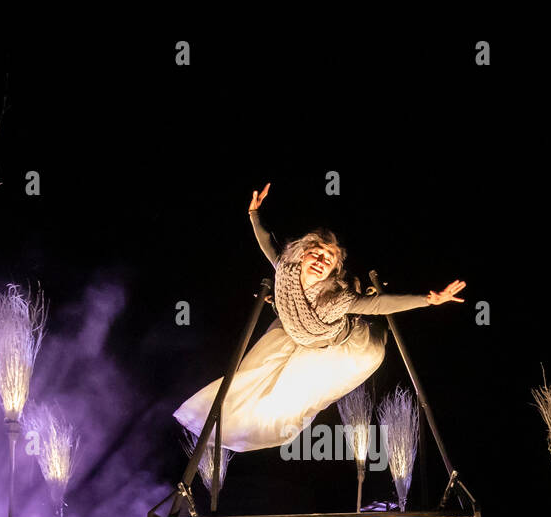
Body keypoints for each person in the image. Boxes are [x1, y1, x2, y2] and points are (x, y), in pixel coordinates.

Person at [174, 182, 466, 452]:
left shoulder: (336, 298)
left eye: (329, 259)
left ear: (332, 271)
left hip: (337, 348)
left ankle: (274, 420)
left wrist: (429, 299)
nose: (321, 260)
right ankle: (226, 425)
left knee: (291, 399)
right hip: (293, 336)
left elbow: (378, 305)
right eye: (317, 253)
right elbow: (268, 243)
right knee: (250, 383)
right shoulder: (285, 270)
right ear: (302, 255)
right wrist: (254, 213)